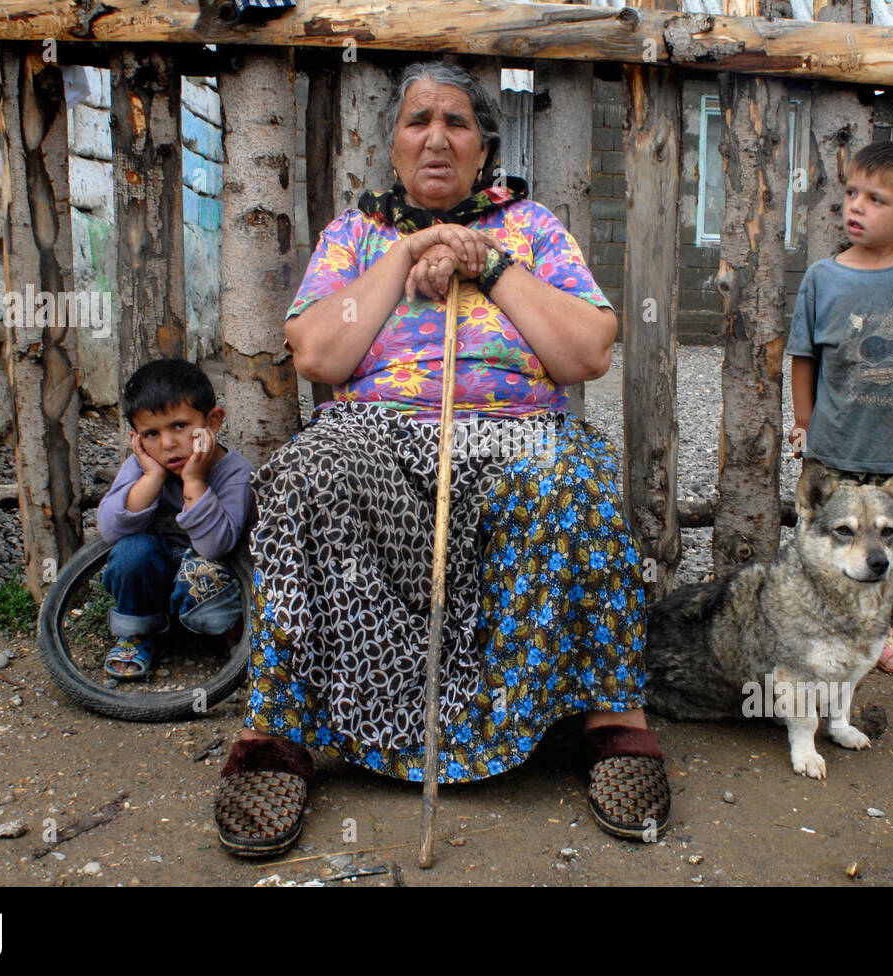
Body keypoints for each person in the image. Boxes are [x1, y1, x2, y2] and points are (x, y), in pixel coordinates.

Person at [212, 60, 671, 859]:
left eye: (456, 122)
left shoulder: (529, 229)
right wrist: (411, 250)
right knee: (306, 470)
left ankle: (612, 722)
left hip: (516, 434)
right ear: (391, 145)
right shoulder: (358, 235)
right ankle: (277, 731)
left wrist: (483, 263)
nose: (436, 136)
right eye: (418, 120)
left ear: (484, 147)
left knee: (574, 481)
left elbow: (589, 351)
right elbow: (318, 353)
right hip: (378, 436)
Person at [788, 141, 893, 674]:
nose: (856, 206)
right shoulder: (823, 277)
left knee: (887, 542)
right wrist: (802, 419)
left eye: (876, 199)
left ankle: (880, 630)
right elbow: (803, 355)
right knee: (832, 538)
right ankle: (821, 629)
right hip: (837, 440)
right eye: (851, 193)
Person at [96, 359, 256, 679]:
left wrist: (194, 481)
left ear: (212, 421)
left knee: (204, 567)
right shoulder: (144, 466)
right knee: (131, 553)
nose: (167, 444)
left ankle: (224, 635)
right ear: (137, 439)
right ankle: (140, 630)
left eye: (179, 426)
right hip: (156, 584)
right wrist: (152, 477)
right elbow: (111, 530)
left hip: (208, 586)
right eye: (151, 433)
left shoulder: (235, 473)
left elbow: (214, 545)